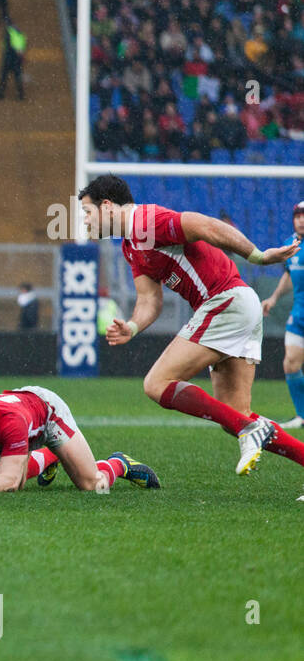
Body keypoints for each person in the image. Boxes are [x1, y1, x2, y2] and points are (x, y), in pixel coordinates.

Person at [80, 174, 304, 490]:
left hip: (224, 301)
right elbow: (149, 300)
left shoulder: (146, 220)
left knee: (156, 383)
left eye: (87, 213)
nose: (86, 222)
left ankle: (248, 428)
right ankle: (257, 431)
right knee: (237, 417)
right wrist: (131, 326)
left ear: (106, 206)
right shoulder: (132, 245)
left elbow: (206, 225)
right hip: (237, 304)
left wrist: (258, 256)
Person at [0, 387, 161, 494]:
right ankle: (52, 458)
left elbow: (7, 482)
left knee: (92, 486)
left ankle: (119, 463)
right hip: (21, 417)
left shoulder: (11, 424)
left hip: (47, 413)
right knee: (15, 486)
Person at [258, 201, 304, 428]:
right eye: (297, 216)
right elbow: (288, 274)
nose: (301, 220)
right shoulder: (289, 244)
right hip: (299, 314)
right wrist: (273, 298)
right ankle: (302, 416)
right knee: (291, 363)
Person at [0, 20, 26, 102]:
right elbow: (22, 47)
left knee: (4, 77)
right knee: (17, 77)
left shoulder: (8, 33)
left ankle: (0, 94)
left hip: (9, 59)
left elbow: (7, 47)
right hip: (16, 60)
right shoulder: (20, 34)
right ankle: (20, 95)